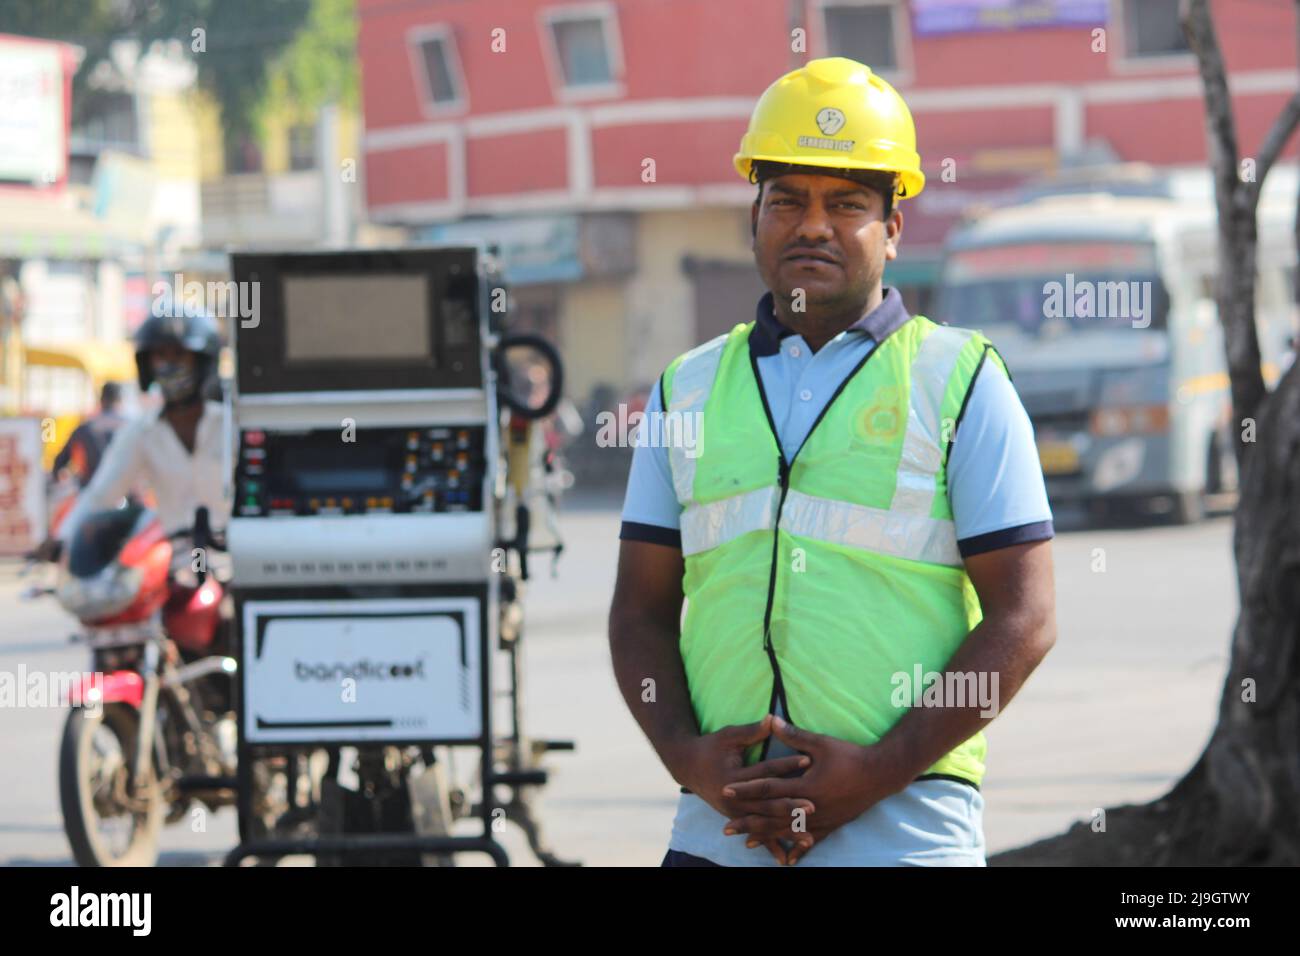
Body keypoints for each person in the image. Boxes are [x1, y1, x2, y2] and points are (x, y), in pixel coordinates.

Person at [608, 57, 1057, 867]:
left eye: (846, 204)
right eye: (787, 200)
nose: (812, 225)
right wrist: (685, 756)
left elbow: (1025, 618)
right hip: (719, 830)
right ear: (755, 217)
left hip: (906, 828)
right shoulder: (689, 389)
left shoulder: (960, 381)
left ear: (892, 228)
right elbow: (639, 611)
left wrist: (877, 773)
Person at [33, 304, 228, 561]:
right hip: (175, 565)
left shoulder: (230, 425)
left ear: (202, 362)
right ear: (147, 365)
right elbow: (100, 495)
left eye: (180, 355)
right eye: (161, 356)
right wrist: (62, 537)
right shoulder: (140, 432)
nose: (169, 365)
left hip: (236, 559)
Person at [51, 382, 127, 488]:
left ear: (101, 401)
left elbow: (59, 463)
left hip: (90, 491)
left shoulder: (85, 428)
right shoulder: (130, 428)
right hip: (123, 492)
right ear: (120, 401)